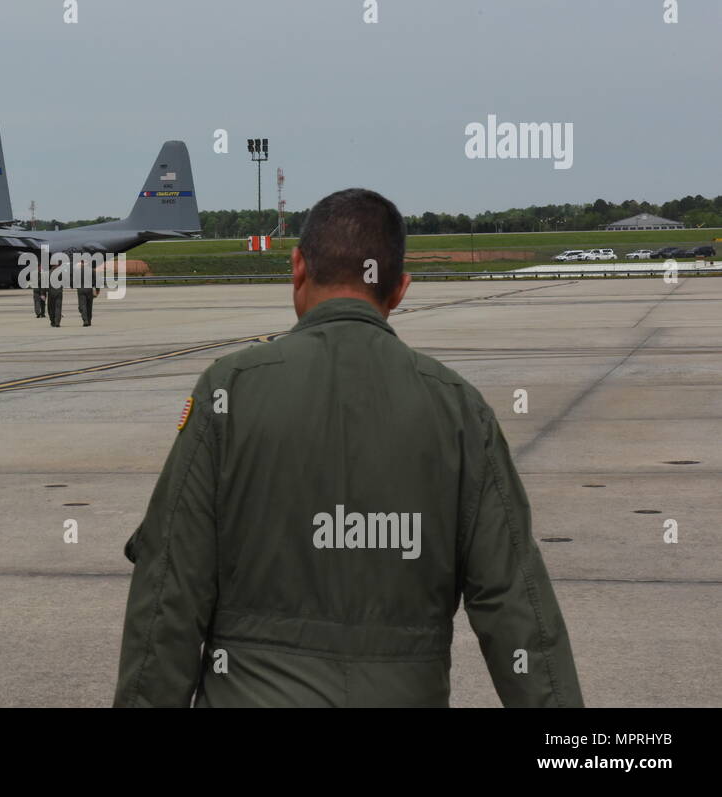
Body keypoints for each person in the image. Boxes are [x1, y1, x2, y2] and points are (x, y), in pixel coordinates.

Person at [114, 188, 583, 707]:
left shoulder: (229, 391)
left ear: (297, 267)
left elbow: (168, 594)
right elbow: (517, 608)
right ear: (400, 289)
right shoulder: (458, 409)